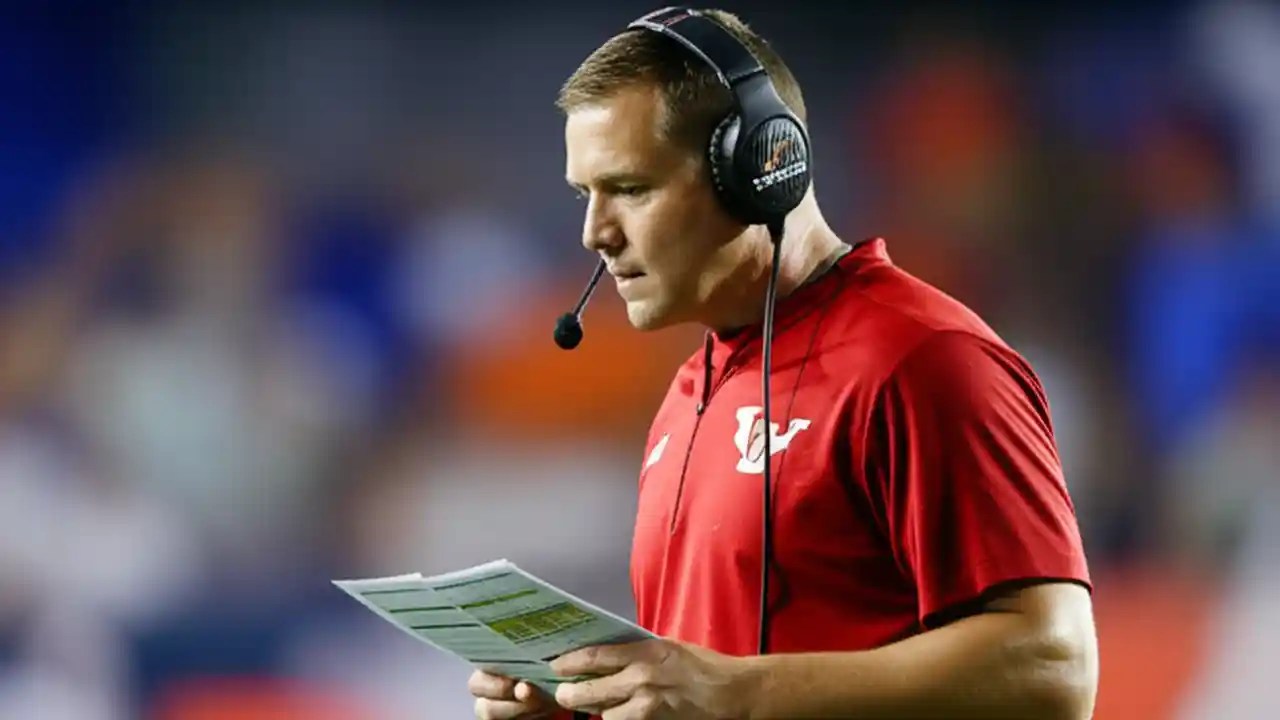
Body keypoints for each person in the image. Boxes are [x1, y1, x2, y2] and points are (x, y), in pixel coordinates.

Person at [470, 7, 1097, 719]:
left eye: (631, 189)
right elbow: (703, 690)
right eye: (587, 195)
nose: (595, 234)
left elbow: (1055, 667)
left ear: (759, 167)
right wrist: (584, 704)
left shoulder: (924, 360)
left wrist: (733, 692)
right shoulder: (691, 390)